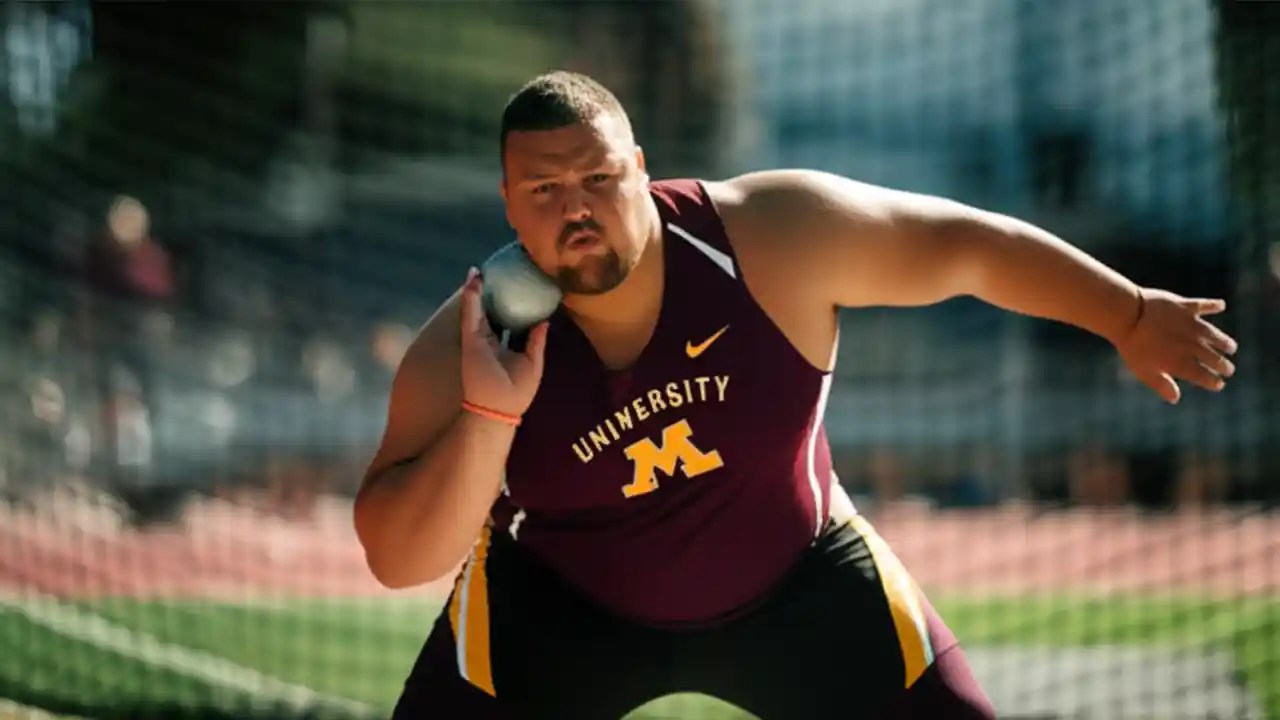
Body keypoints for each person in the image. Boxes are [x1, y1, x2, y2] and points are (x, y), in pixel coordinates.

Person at [353, 71, 1237, 719]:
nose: (576, 208)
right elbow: (397, 557)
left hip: (797, 579)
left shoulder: (770, 239)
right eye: (544, 189)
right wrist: (491, 415)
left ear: (642, 170)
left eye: (598, 177)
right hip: (557, 607)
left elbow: (970, 248)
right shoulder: (470, 341)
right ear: (509, 204)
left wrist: (1126, 313)